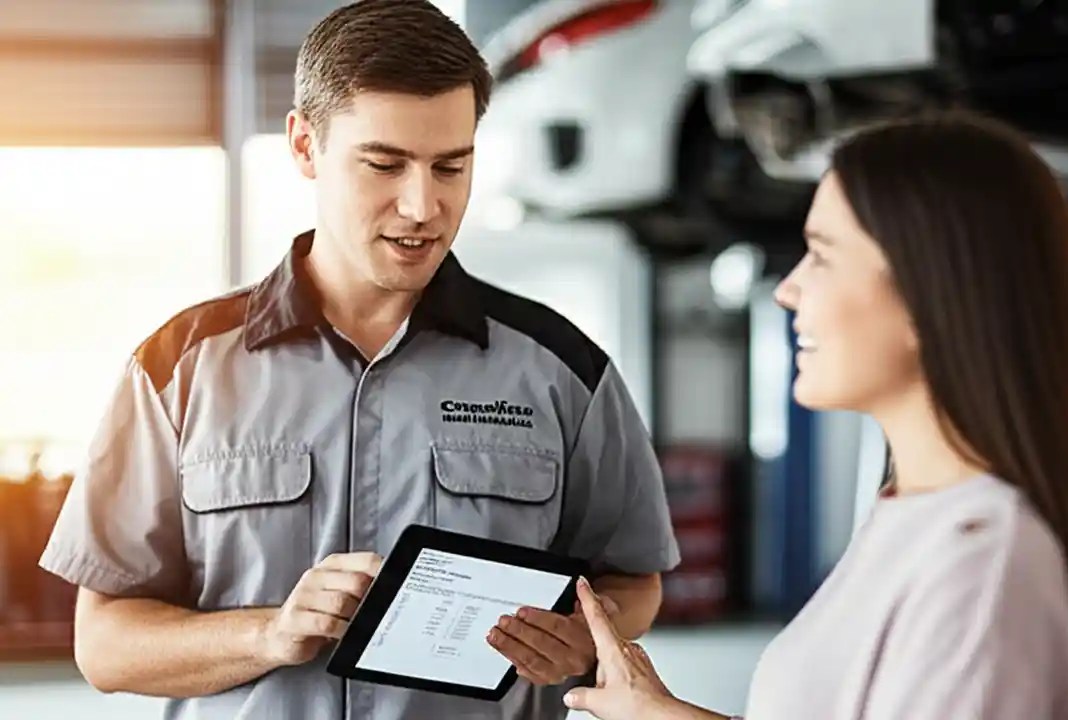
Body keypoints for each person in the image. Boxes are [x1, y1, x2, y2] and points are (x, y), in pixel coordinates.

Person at [38, 2, 679, 718]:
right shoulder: (179, 370)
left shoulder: (563, 372)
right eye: (384, 164)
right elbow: (104, 645)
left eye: (450, 166)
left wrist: (583, 640)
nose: (422, 206)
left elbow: (633, 582)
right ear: (305, 147)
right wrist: (270, 633)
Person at [562, 111, 1068, 720]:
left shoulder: (981, 570)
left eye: (820, 256)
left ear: (928, 296)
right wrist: (655, 712)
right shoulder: (914, 515)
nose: (788, 290)